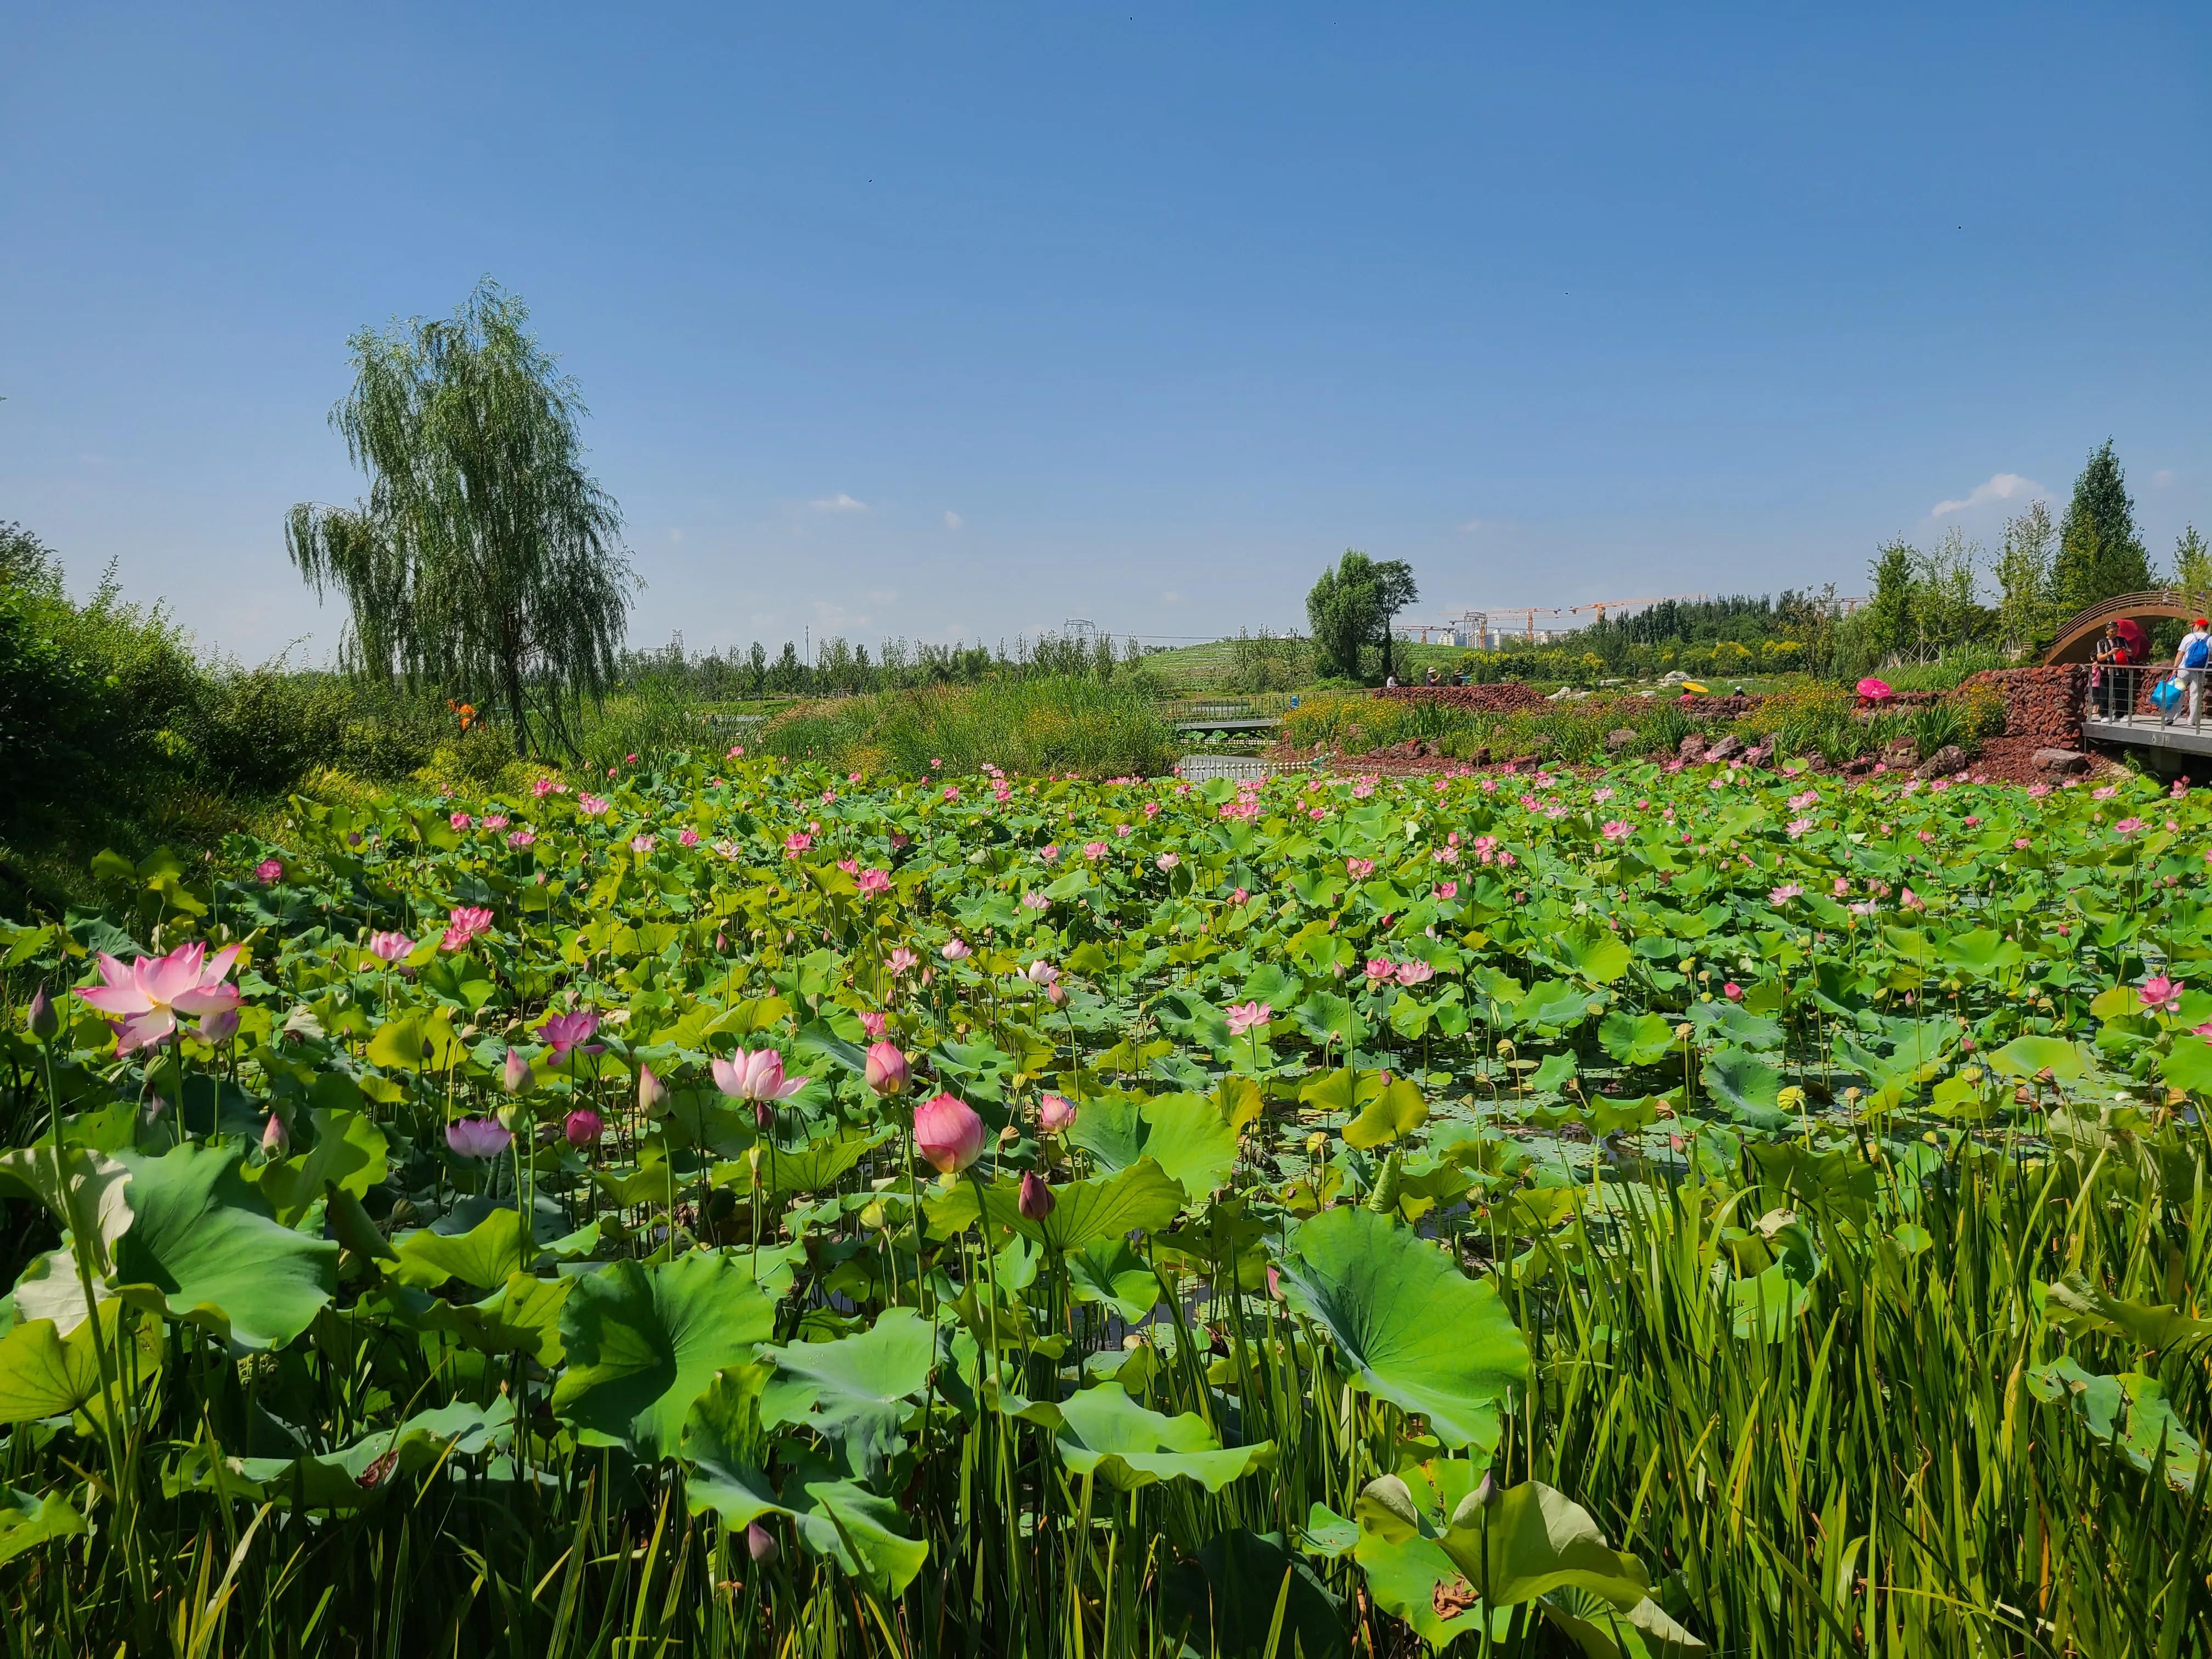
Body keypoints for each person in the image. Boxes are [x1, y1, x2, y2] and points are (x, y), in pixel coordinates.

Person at [2166, 617, 2211, 729]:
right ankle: (2192, 720)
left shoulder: (2189, 637)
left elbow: (2180, 654)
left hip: (2184, 671)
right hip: (2199, 671)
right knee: (2195, 695)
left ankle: (2171, 717)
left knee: (2178, 693)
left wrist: (2175, 668)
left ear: (2198, 626)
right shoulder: (2210, 639)